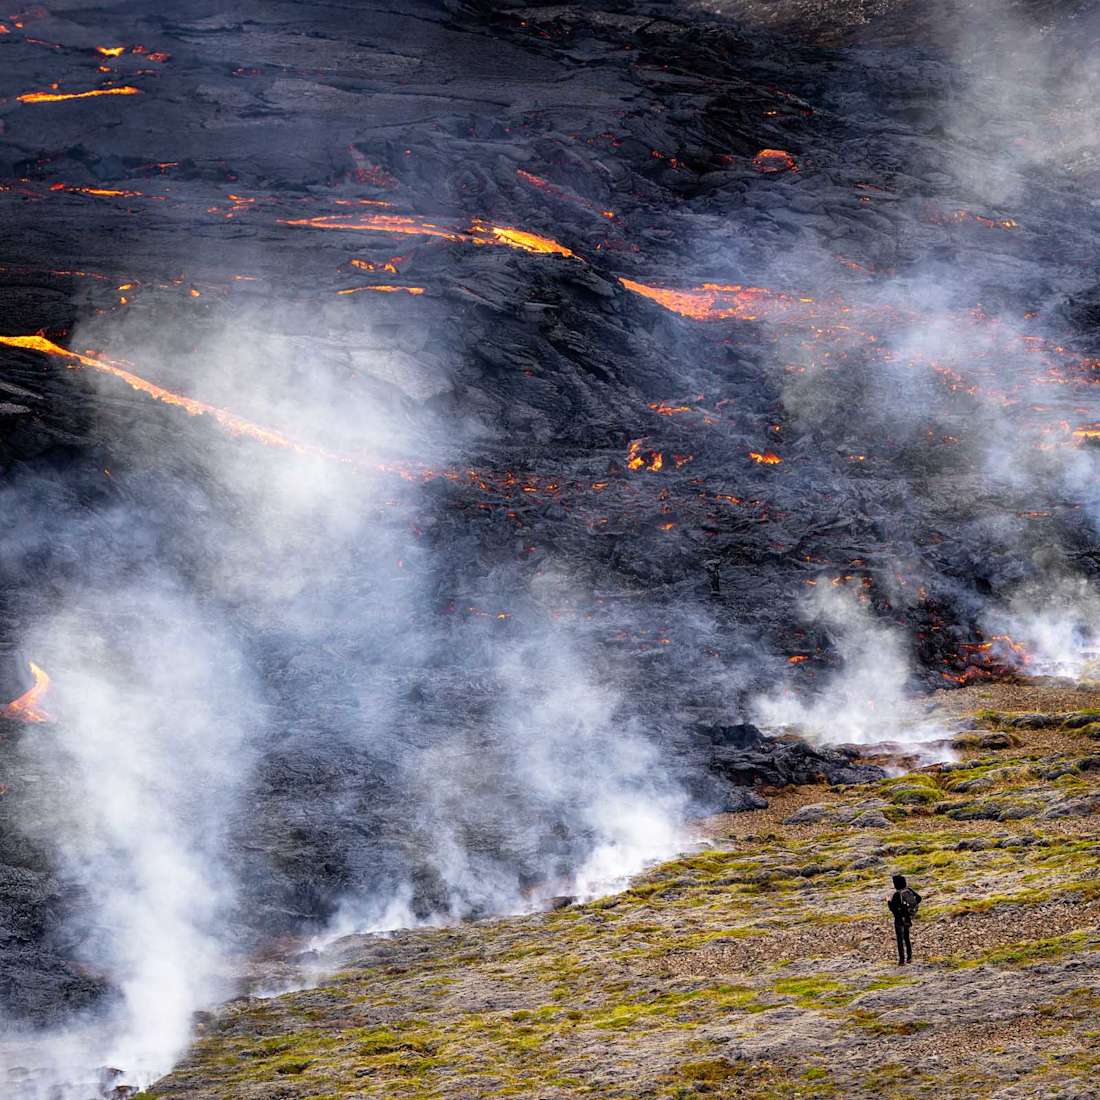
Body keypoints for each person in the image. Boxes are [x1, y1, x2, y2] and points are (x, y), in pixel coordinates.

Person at [887, 874, 921, 964]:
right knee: (907, 937)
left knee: (900, 940)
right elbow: (919, 898)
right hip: (908, 918)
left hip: (899, 920)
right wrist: (910, 908)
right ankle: (909, 957)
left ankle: (902, 960)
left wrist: (888, 901)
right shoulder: (909, 890)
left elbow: (893, 909)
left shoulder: (896, 895)